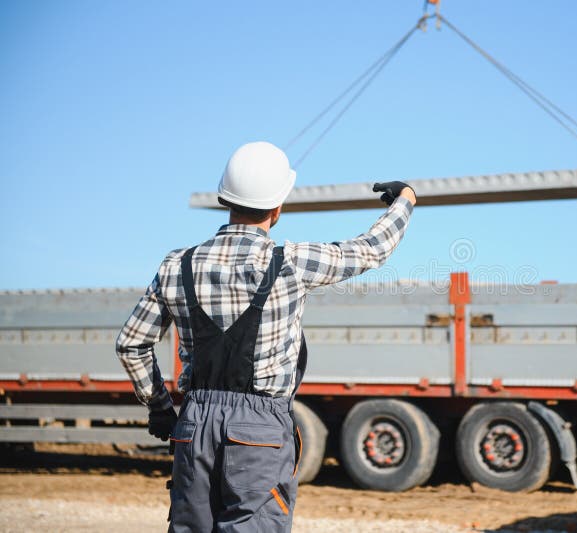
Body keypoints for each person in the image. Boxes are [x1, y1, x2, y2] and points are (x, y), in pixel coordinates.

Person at [116, 141, 416, 532]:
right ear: (277, 208)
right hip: (260, 430)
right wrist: (405, 201)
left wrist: (158, 406)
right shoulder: (291, 262)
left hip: (193, 427)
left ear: (226, 200)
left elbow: (131, 343)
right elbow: (371, 250)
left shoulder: (176, 265)